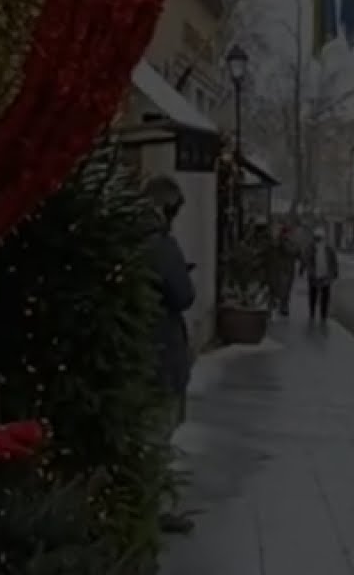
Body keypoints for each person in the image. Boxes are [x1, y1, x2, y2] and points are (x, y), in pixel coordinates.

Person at [141, 175, 196, 534]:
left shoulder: (125, 236)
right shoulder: (159, 244)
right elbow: (184, 294)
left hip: (141, 354)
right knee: (156, 437)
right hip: (160, 353)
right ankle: (152, 509)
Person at [299, 227, 338, 322]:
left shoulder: (328, 248)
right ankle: (312, 312)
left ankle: (323, 314)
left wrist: (335, 271)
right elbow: (305, 258)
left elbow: (334, 260)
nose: (318, 240)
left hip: (325, 274)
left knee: (325, 294)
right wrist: (302, 268)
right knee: (313, 294)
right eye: (317, 238)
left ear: (323, 238)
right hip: (313, 274)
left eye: (320, 238)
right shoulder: (310, 247)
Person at [267, 225, 298, 317]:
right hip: (283, 269)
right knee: (282, 289)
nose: (290, 234)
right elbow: (290, 251)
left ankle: (281, 306)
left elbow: (295, 252)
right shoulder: (283, 242)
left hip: (287, 269)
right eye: (288, 233)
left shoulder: (285, 241)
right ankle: (280, 306)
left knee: (285, 289)